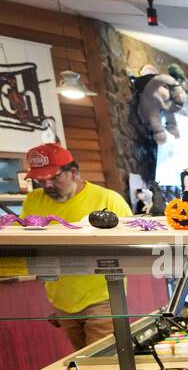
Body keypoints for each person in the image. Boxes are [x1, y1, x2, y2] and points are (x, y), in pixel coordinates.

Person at [21, 142, 132, 350]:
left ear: (73, 172)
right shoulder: (32, 201)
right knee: (85, 365)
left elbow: (131, 248)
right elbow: (28, 244)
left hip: (103, 296)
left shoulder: (108, 199)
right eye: (40, 181)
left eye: (53, 178)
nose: (47, 186)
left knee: (103, 364)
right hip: (61, 299)